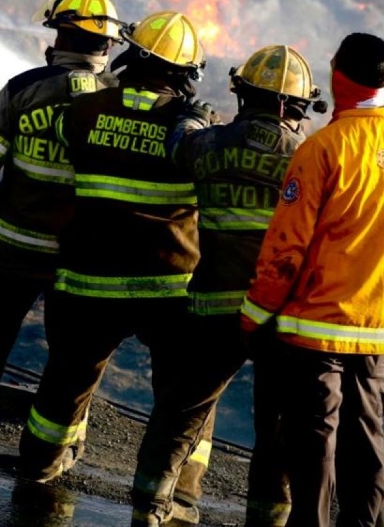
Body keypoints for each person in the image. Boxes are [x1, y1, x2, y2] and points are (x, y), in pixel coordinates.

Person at [241, 33, 384, 527]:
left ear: (336, 74)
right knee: (368, 442)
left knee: (314, 447)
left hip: (313, 330)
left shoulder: (322, 149)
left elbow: (285, 249)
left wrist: (254, 315)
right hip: (377, 331)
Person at [0, 0, 125, 458]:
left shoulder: (25, 88)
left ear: (57, 37)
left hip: (12, 247)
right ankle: (53, 456)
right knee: (72, 362)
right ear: (109, 47)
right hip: (81, 258)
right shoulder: (118, 104)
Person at [130, 45, 327, 527]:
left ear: (243, 94)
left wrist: (193, 119)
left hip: (212, 307)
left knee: (180, 412)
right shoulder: (309, 158)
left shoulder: (209, 145)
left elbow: (179, 145)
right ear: (295, 107)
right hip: (281, 317)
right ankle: (269, 519)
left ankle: (150, 508)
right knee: (277, 430)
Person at [15, 10, 207, 488]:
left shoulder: (84, 112)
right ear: (186, 75)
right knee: (185, 395)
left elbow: (64, 145)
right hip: (168, 288)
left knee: (65, 382)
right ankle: (178, 494)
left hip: (87, 279)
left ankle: (38, 467)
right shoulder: (194, 133)